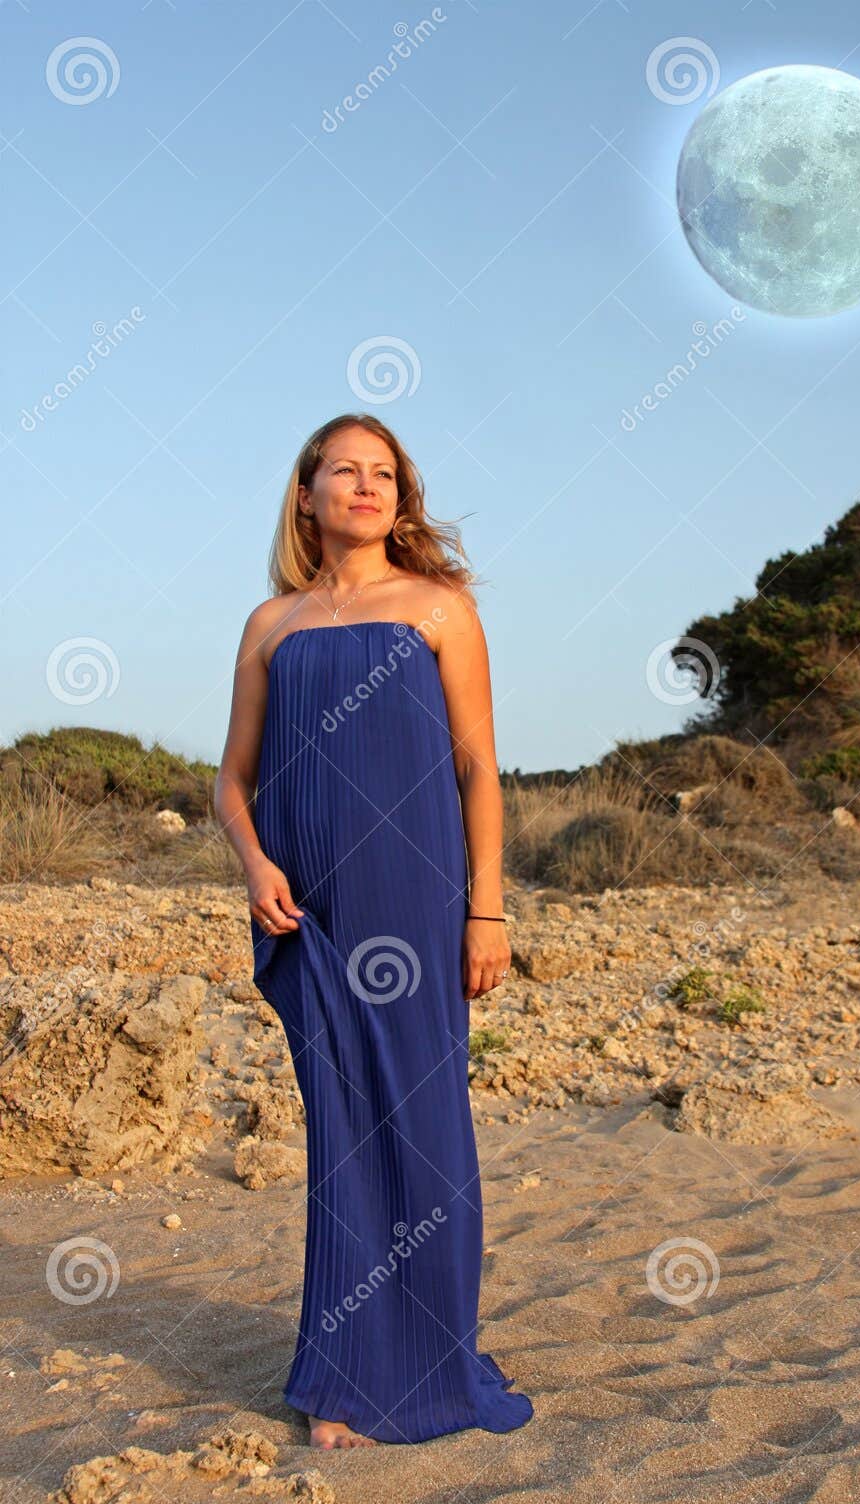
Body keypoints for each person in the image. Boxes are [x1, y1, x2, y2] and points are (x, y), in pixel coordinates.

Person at [214, 411, 533, 1450]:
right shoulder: (270, 624)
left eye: (382, 473)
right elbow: (231, 780)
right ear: (304, 492)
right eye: (343, 471)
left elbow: (480, 767)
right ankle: (344, 1377)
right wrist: (256, 862)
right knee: (340, 1130)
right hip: (312, 912)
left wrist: (486, 907)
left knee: (428, 1130)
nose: (364, 486)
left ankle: (433, 1366)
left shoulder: (440, 608)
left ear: (400, 496)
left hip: (418, 898)